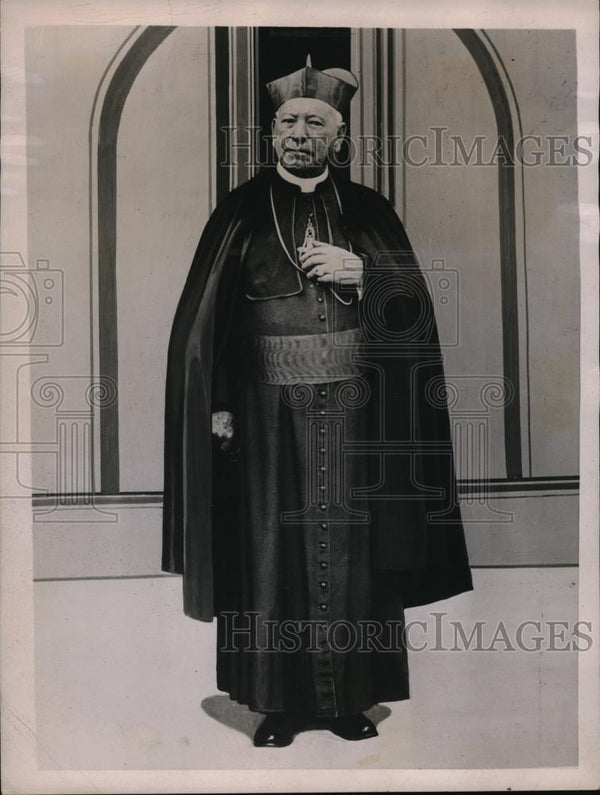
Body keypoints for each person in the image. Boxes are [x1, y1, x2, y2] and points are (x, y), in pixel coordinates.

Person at [162, 57, 473, 748]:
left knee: (357, 557)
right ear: (270, 133)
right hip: (265, 418)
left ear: (339, 136)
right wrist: (216, 404)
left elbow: (414, 308)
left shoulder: (369, 211)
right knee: (269, 557)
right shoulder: (239, 210)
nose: (298, 133)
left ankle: (348, 702)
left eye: (314, 122)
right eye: (286, 122)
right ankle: (273, 705)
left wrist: (368, 272)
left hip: (359, 413)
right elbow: (202, 328)